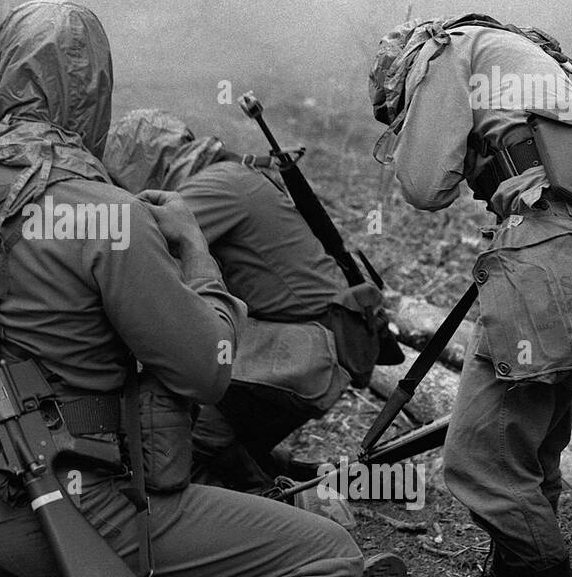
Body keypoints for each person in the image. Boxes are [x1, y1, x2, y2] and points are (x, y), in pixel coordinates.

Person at [0, 0, 403, 577]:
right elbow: (207, 366)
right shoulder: (110, 215)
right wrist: (196, 252)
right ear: (93, 91)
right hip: (89, 512)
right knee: (328, 559)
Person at [368, 15, 572, 577]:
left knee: (477, 460)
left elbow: (425, 184)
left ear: (403, 71)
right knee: (535, 444)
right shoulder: (534, 58)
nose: (398, 120)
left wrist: (420, 130)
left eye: (396, 112)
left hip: (549, 259)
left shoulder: (446, 53)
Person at [102, 109, 380, 494]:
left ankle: (288, 513)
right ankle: (285, 476)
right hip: (312, 346)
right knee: (201, 403)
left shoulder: (214, 186)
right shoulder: (227, 177)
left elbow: (136, 250)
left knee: (181, 440)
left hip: (311, 351)